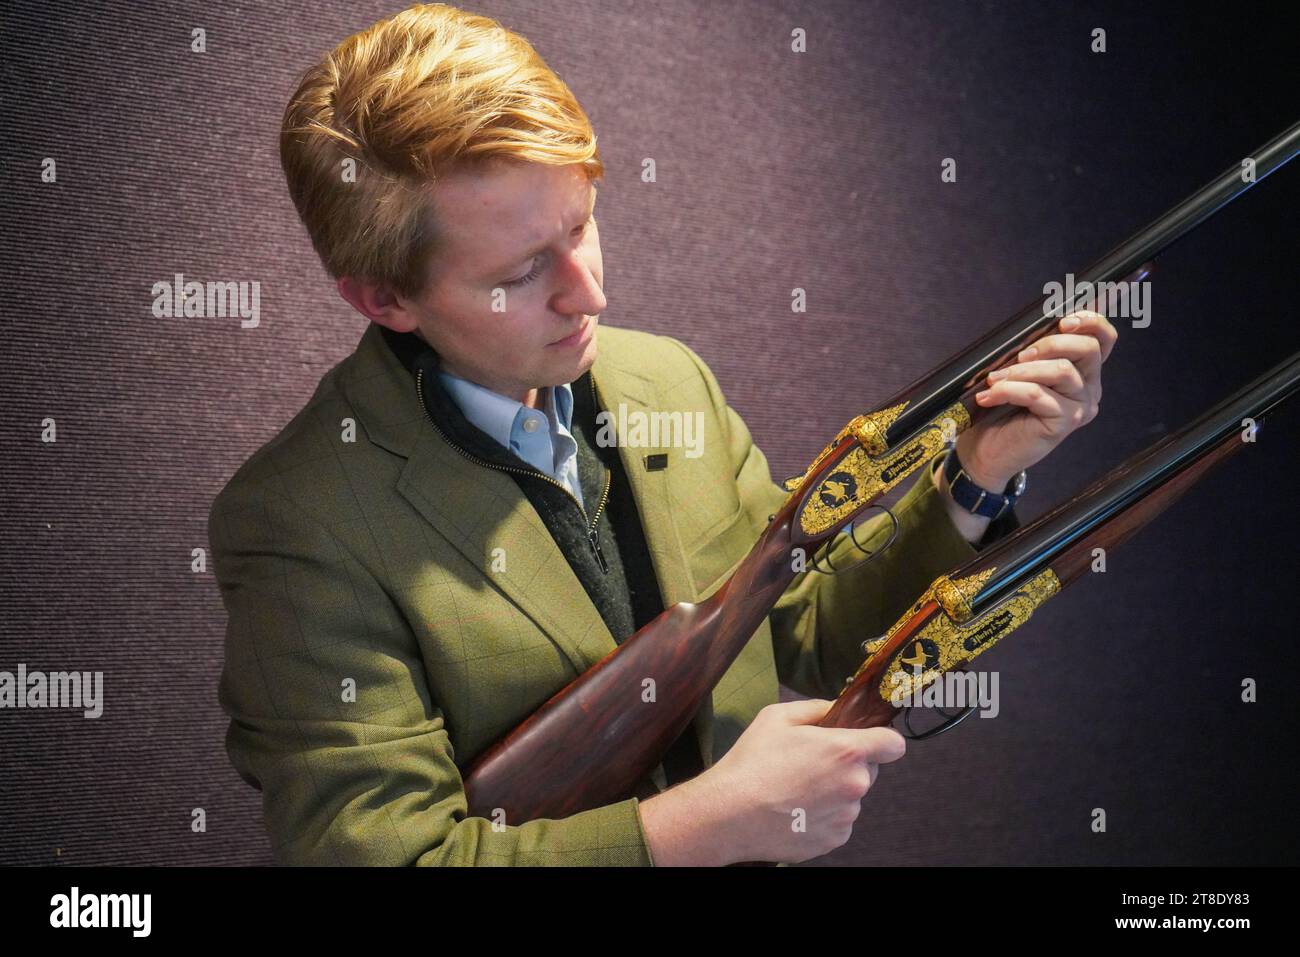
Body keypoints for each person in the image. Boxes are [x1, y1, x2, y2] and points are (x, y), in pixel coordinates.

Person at [210, 2, 1116, 866]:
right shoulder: (299, 521)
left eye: (582, 224)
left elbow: (813, 629)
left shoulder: (661, 380)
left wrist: (974, 473)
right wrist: (702, 826)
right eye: (524, 272)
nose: (590, 293)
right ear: (384, 297)